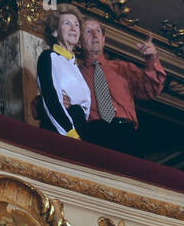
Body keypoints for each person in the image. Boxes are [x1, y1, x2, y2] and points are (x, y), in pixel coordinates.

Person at [78, 14, 165, 158]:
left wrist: (151, 59)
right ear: (79, 42)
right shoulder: (74, 73)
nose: (94, 35)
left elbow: (151, 90)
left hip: (126, 133)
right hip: (94, 134)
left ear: (104, 39)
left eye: (98, 31)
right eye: (88, 31)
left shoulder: (123, 68)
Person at [36, 10, 91, 139]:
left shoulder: (75, 65)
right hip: (62, 129)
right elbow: (50, 97)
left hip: (80, 127)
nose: (73, 28)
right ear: (55, 32)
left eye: (76, 25)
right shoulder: (49, 56)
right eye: (67, 23)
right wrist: (69, 132)